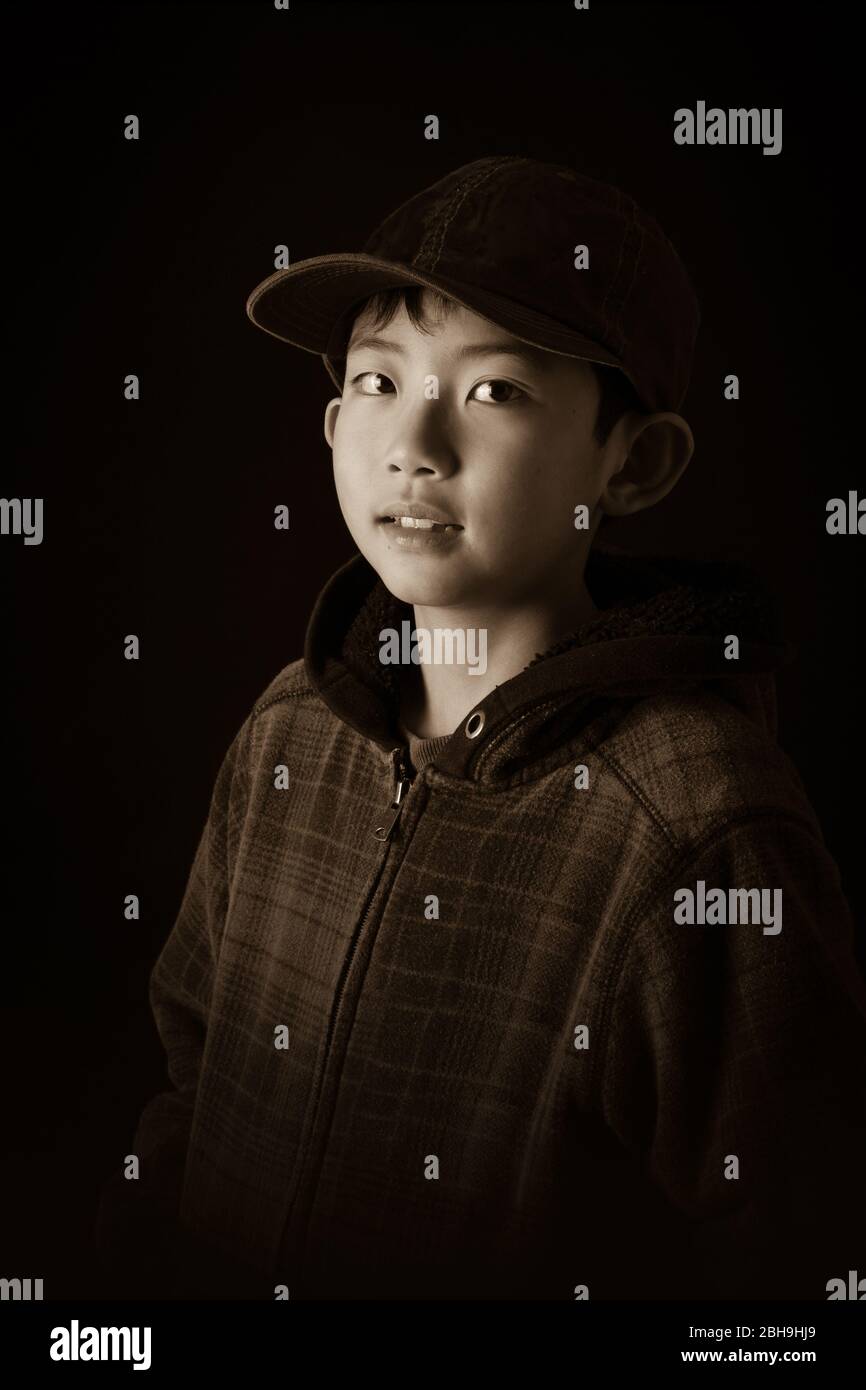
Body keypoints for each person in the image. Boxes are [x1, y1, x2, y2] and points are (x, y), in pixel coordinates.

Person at [93, 156, 866, 1301]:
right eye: (373, 381)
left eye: (493, 391)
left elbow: (790, 1254)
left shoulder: (699, 822)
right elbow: (196, 1065)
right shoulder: (286, 732)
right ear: (329, 421)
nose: (414, 442)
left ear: (633, 462)